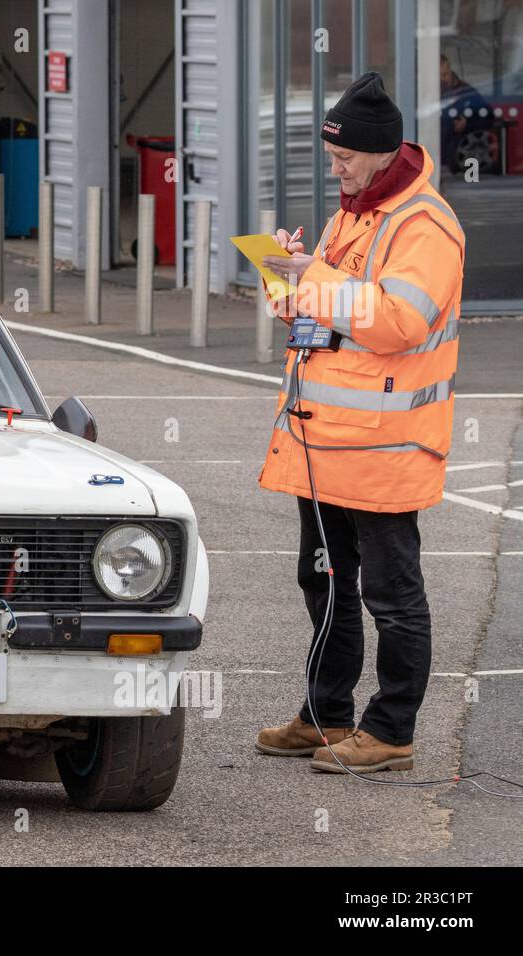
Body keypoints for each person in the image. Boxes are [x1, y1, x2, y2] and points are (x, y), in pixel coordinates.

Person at [258, 72, 464, 774]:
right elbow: (330, 309)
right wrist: (285, 276)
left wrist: (312, 275)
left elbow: (398, 322)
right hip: (323, 439)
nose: (334, 167)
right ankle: (327, 716)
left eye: (344, 156)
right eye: (331, 154)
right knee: (327, 583)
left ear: (382, 153)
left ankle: (391, 731)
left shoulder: (425, 225)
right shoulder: (356, 209)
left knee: (391, 597)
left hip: (383, 448)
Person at [438, 54, 493, 176]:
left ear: (450, 70)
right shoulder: (425, 96)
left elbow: (488, 117)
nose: (443, 80)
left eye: (445, 75)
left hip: (463, 160)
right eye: (438, 77)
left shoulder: (466, 92)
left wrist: (467, 124)